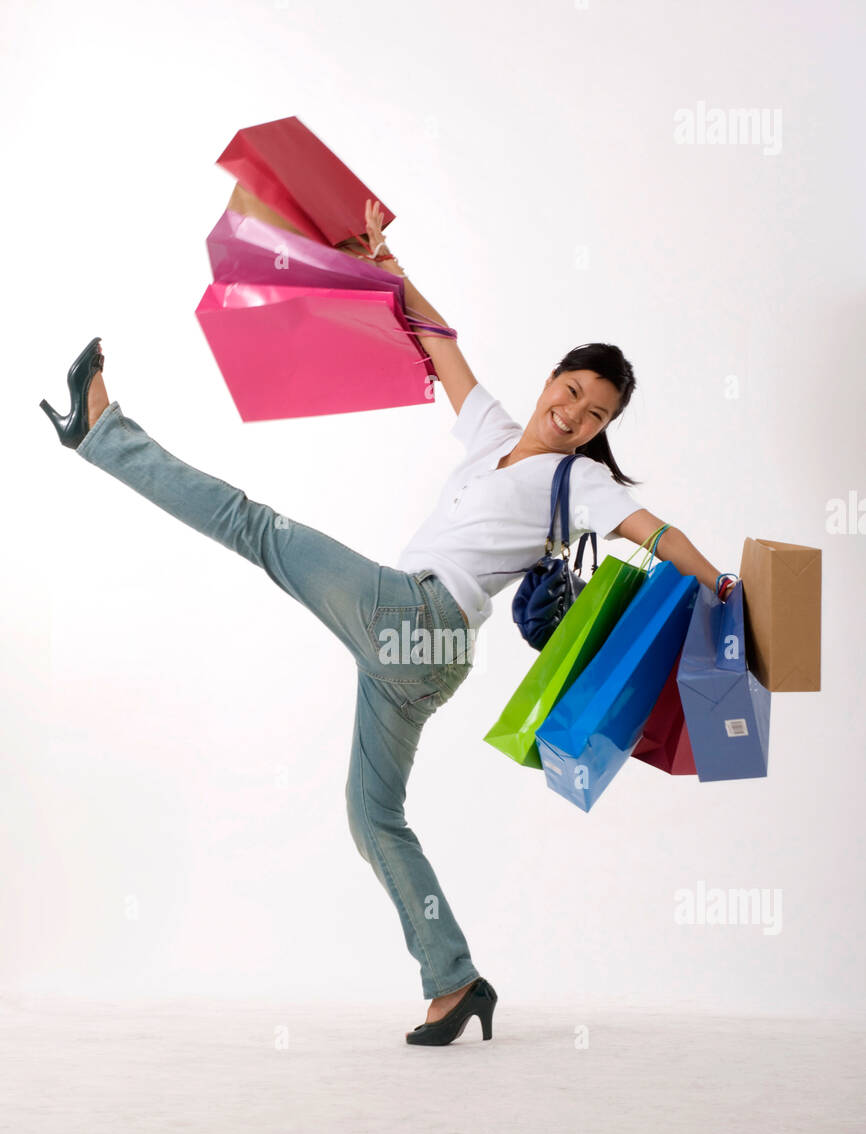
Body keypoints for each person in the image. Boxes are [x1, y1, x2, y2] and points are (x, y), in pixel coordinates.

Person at [39, 199, 737, 1047]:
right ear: (554, 377)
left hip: (422, 618)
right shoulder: (495, 434)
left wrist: (716, 581)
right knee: (374, 818)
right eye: (574, 391)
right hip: (426, 654)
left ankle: (100, 432)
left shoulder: (582, 485)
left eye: (596, 416)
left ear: (601, 432)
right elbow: (441, 345)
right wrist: (389, 262)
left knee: (257, 529)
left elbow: (655, 533)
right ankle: (455, 980)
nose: (576, 414)